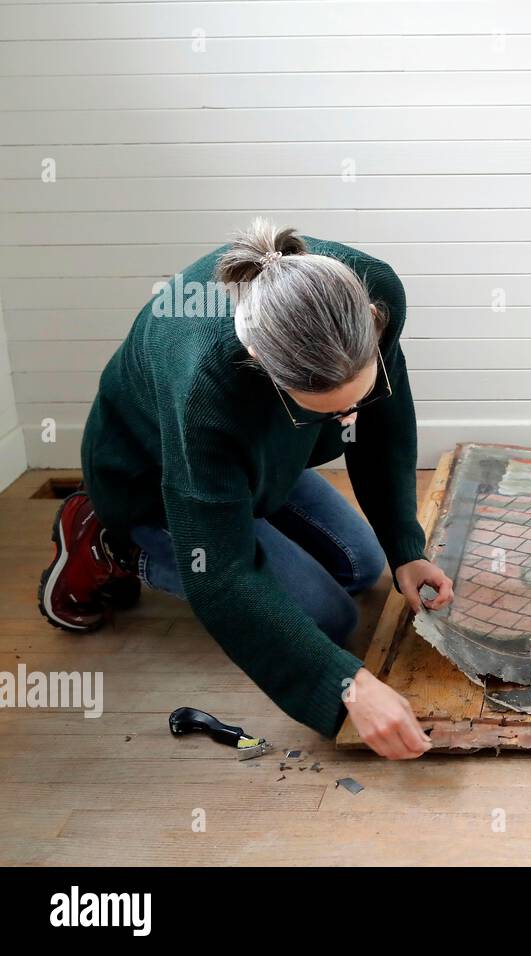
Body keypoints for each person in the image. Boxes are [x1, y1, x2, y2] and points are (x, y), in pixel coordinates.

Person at [38, 219, 453, 759]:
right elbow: (223, 576)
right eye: (333, 411)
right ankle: (111, 542)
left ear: (373, 321)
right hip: (157, 475)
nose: (353, 418)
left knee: (362, 566)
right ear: (262, 367)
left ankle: (260, 493)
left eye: (357, 396)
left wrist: (406, 547)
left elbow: (384, 418)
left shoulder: (371, 290)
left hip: (258, 456)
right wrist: (347, 686)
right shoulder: (204, 385)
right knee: (330, 623)